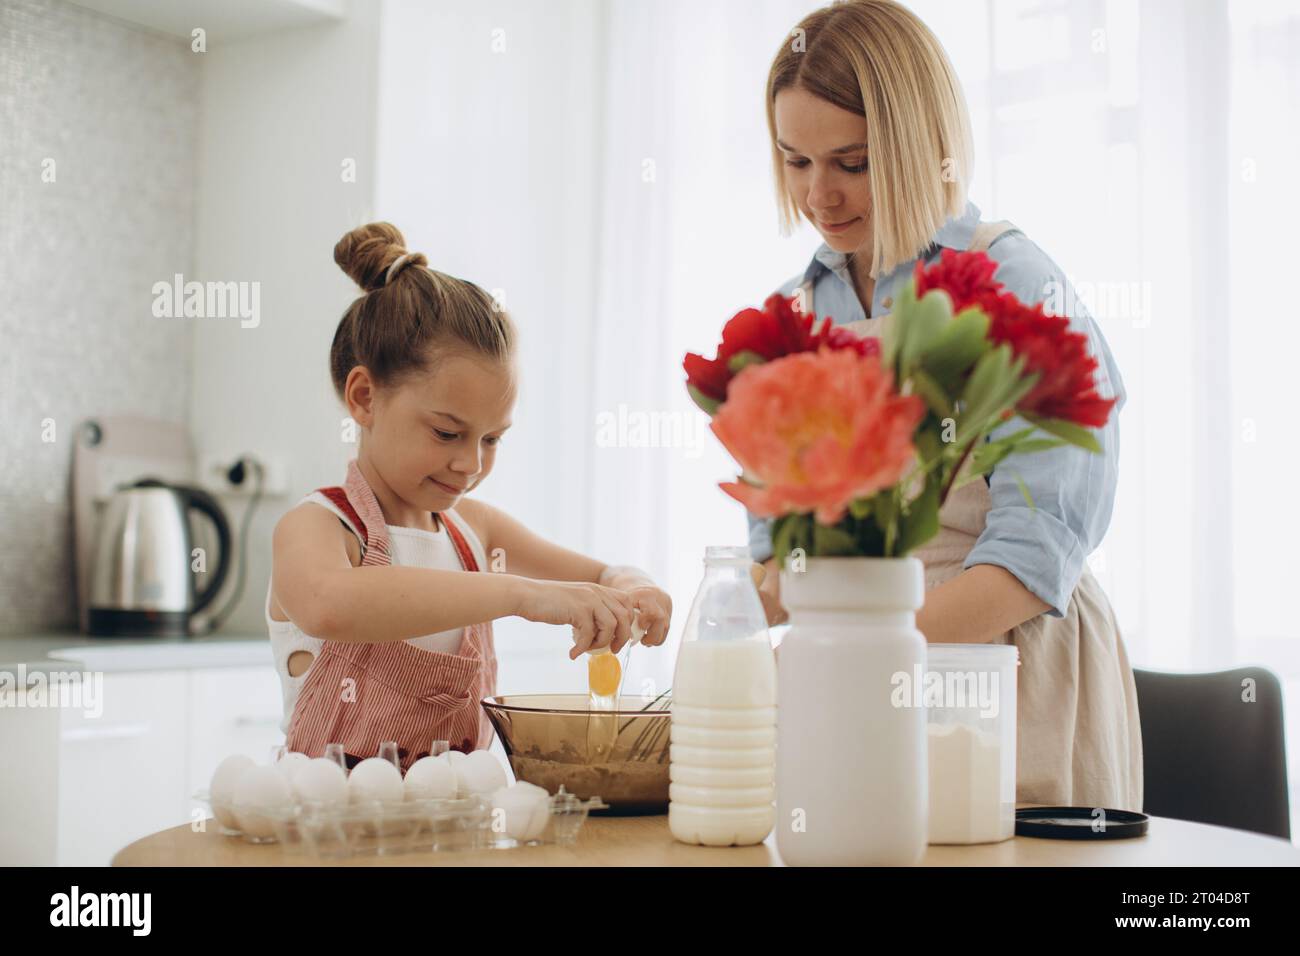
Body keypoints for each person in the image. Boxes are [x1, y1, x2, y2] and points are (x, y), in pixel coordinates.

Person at [748, 0, 1142, 812]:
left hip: (1013, 675)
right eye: (795, 161)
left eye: (851, 162)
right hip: (859, 692)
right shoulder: (792, 320)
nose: (820, 194)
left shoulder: (1016, 287)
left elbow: (1036, 553)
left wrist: (862, 650)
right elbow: (779, 558)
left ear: (919, 140)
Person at [267, 222, 672, 771]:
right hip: (331, 843)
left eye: (492, 439)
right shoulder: (319, 526)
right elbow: (328, 605)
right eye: (446, 433)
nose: (471, 464)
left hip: (453, 838)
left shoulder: (475, 531)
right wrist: (519, 595)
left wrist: (634, 586)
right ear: (365, 397)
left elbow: (604, 576)